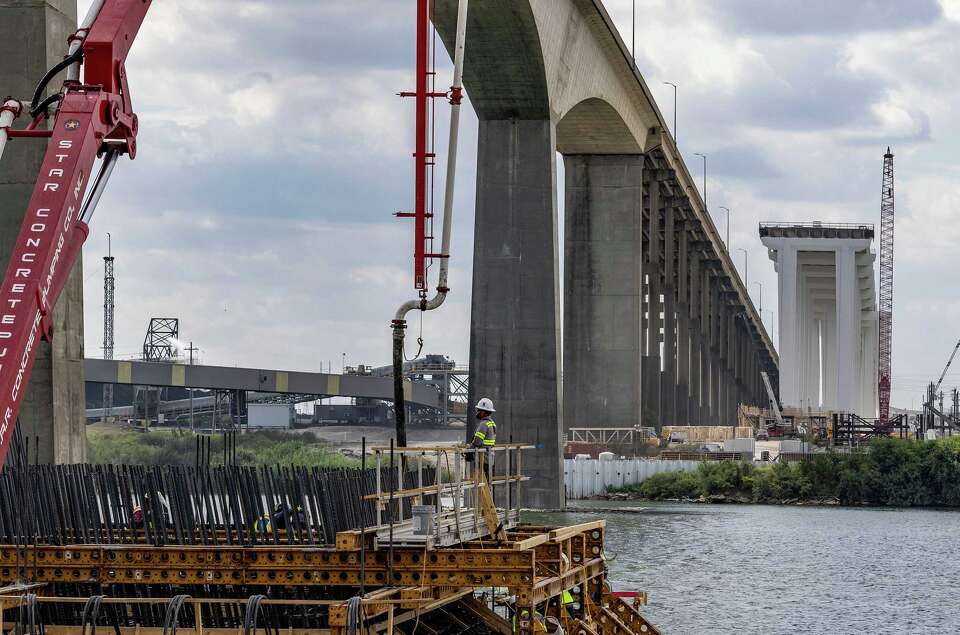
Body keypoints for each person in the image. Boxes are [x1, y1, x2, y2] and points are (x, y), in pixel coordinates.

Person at [471, 397, 497, 477]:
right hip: (490, 458)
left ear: (483, 412)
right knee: (488, 481)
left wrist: (469, 450)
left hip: (483, 459)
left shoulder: (483, 424)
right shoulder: (492, 423)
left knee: (481, 481)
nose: (477, 412)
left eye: (479, 410)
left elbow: (477, 442)